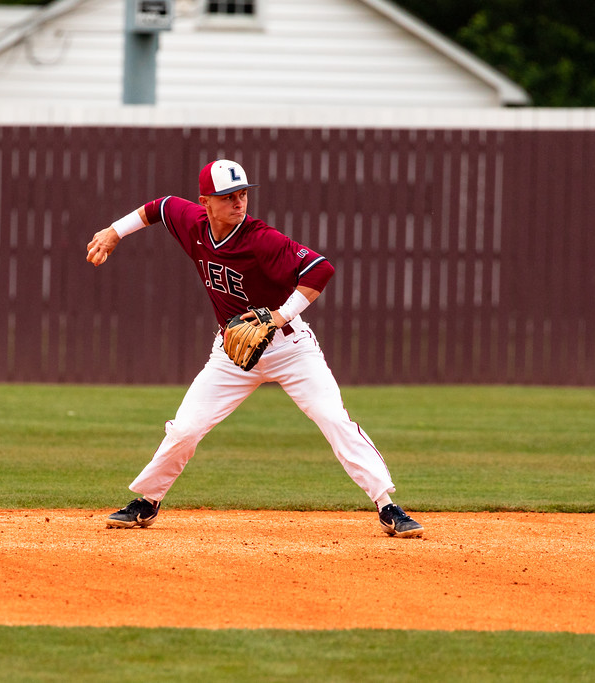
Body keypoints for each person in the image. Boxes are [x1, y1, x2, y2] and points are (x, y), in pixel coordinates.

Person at [85, 159, 423, 538]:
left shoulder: (261, 238)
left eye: (242, 194)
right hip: (232, 352)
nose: (238, 203)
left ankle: (387, 505)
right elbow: (159, 207)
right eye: (228, 197)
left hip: (290, 348)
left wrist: (280, 315)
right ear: (205, 202)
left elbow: (321, 269)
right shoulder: (192, 223)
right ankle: (148, 501)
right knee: (186, 428)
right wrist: (114, 232)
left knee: (332, 418)